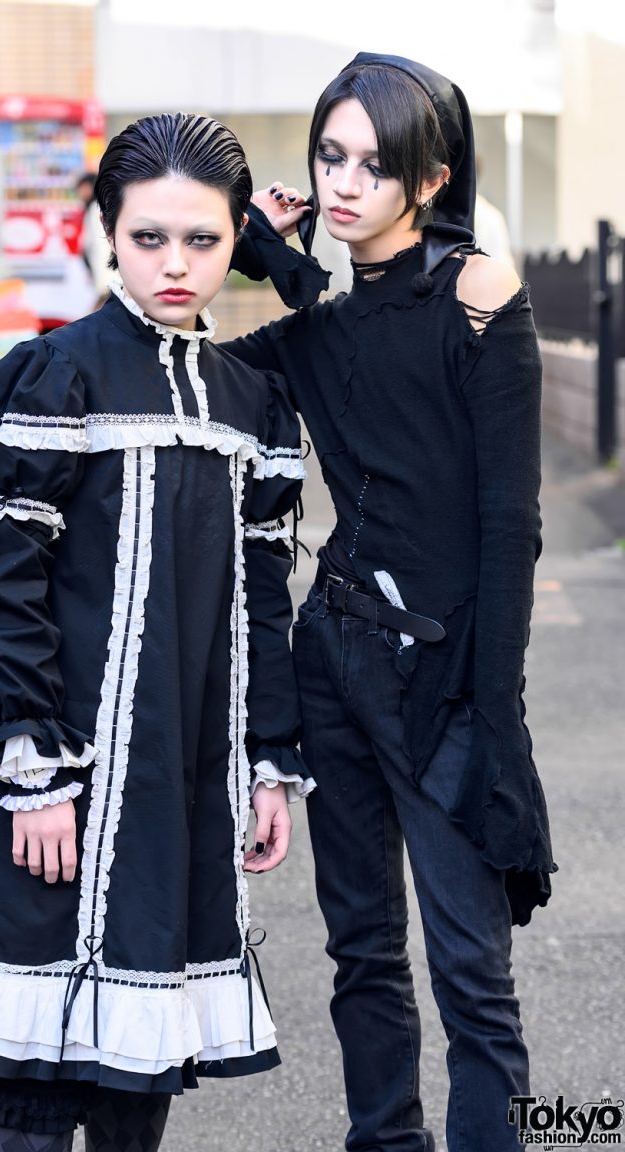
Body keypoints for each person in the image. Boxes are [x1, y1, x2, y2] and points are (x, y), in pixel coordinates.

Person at [0, 112, 312, 1152]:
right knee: (32, 1083)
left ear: (236, 240)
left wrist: (267, 766)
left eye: (203, 239)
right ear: (108, 234)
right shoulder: (58, 375)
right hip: (56, 781)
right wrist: (37, 776)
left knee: (140, 1078)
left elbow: (261, 604)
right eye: (149, 237)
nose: (176, 264)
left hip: (179, 785)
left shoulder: (253, 405)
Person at [222, 53, 556, 1152]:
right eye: (331, 156)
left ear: (431, 177)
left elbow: (510, 528)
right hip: (333, 661)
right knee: (361, 955)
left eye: (375, 163)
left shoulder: (478, 295)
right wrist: (252, 248)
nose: (347, 181)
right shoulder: (319, 328)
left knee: (472, 973)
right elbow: (192, 372)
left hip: (444, 678)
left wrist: (493, 715)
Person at [76, 171, 113, 302]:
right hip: (103, 273)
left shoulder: (96, 208)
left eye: (84, 188)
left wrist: (102, 276)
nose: (81, 193)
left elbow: (100, 245)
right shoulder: (97, 207)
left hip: (106, 274)